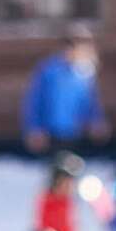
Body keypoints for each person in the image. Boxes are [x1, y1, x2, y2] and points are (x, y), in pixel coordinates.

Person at [20, 23, 107, 155]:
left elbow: (91, 102)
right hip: (51, 133)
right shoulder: (50, 71)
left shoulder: (85, 73)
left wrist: (97, 121)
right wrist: (34, 128)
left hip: (76, 133)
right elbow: (35, 101)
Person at [36, 158, 84, 231]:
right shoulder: (49, 202)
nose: (69, 187)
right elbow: (44, 229)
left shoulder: (67, 203)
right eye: (65, 183)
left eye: (70, 184)